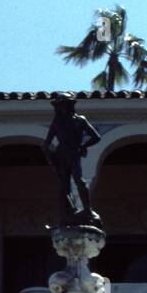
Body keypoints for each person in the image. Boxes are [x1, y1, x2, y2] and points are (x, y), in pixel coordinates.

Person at [43, 95, 102, 225]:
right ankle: (66, 213)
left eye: (62, 104)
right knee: (64, 186)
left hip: (73, 153)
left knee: (79, 181)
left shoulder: (80, 120)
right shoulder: (57, 122)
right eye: (59, 105)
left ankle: (87, 210)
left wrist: (83, 146)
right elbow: (47, 142)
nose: (60, 107)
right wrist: (48, 154)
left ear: (69, 105)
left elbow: (96, 137)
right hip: (60, 155)